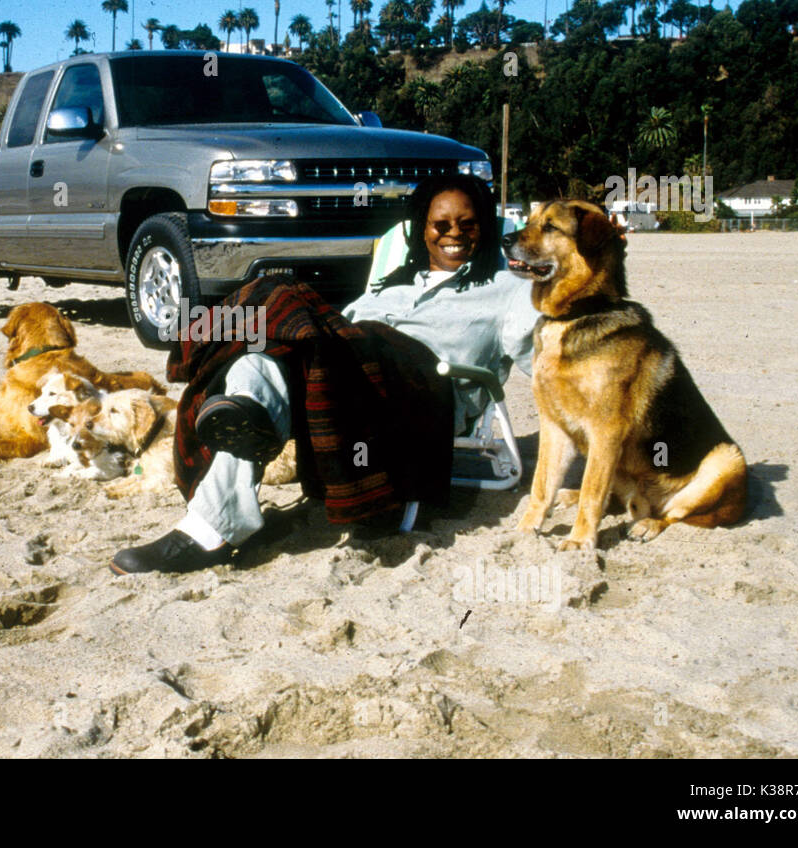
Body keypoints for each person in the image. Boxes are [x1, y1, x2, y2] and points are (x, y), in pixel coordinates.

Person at [110, 176, 541, 575]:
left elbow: (548, 363)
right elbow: (336, 334)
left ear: (484, 226)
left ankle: (207, 363)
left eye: (467, 224)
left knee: (281, 296)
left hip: (419, 392)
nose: (454, 234)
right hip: (349, 381)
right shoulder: (392, 287)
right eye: (440, 224)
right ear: (420, 229)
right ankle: (227, 477)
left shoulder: (509, 291)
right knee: (261, 358)